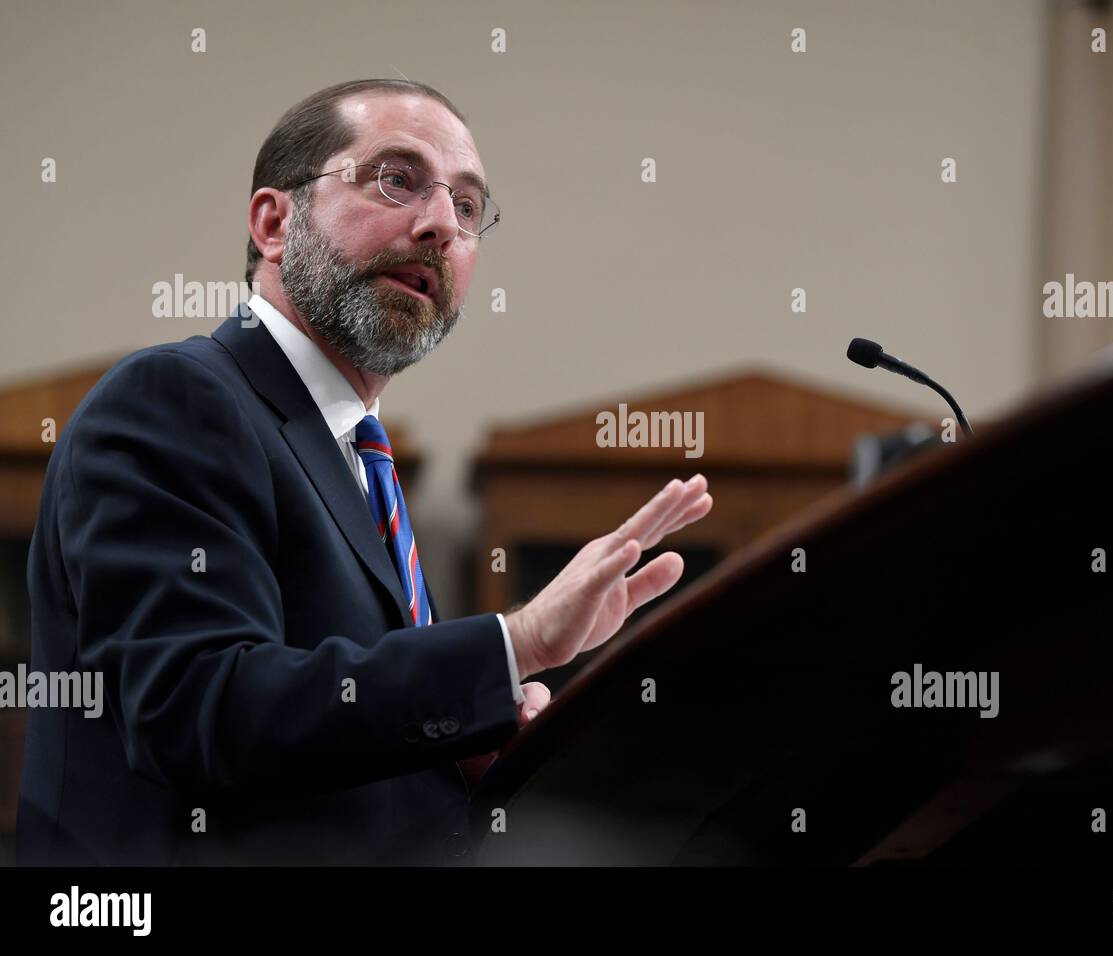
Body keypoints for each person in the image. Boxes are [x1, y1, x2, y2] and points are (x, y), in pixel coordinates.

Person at [17, 78, 712, 865]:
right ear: (276, 223)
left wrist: (469, 750)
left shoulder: (357, 459)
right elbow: (198, 713)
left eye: (469, 208)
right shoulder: (174, 399)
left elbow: (337, 738)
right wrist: (513, 643)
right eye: (398, 179)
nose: (440, 225)